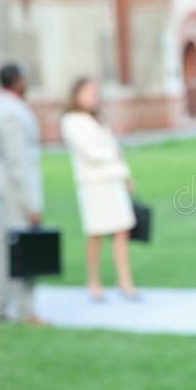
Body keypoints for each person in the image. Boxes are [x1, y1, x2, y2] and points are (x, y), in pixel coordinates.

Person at [0, 63, 46, 325]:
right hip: (16, 192)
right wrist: (32, 203)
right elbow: (17, 162)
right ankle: (25, 311)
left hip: (3, 189)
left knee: (0, 249)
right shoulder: (11, 114)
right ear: (17, 81)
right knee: (25, 248)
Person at [60, 78, 139, 301]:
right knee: (95, 234)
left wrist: (126, 177)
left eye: (95, 93)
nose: (93, 97)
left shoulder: (98, 120)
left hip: (113, 181)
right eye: (88, 93)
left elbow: (115, 149)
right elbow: (90, 153)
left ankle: (125, 280)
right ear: (76, 95)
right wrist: (112, 155)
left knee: (122, 231)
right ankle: (93, 281)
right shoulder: (71, 121)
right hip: (93, 184)